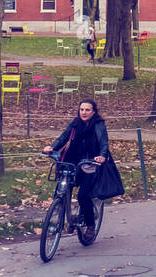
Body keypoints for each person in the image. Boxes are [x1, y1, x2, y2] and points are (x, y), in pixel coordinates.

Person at [42, 99, 108, 240]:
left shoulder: (98, 124)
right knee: (62, 189)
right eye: (82, 109)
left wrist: (101, 156)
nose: (84, 112)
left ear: (93, 112)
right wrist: (52, 147)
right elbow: (63, 138)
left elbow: (104, 143)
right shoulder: (75, 124)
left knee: (83, 195)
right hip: (71, 161)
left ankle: (90, 225)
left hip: (89, 163)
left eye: (87, 110)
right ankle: (60, 218)